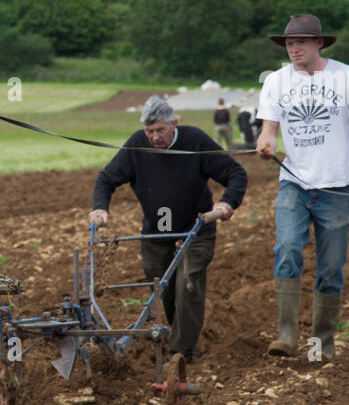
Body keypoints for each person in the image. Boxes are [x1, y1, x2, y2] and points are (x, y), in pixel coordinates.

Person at [255, 14, 349, 361]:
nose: (293, 49)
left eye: (300, 42)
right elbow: (269, 128)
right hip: (293, 183)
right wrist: (266, 143)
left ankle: (321, 344)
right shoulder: (275, 82)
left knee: (330, 268)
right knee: (286, 248)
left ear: (319, 43)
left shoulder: (346, 76)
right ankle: (286, 334)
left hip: (337, 188)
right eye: (288, 43)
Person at [89, 95, 247, 363]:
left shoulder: (194, 141)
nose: (154, 137)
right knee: (163, 288)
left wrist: (227, 203)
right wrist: (100, 208)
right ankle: (182, 335)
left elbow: (235, 173)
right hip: (156, 231)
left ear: (174, 123)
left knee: (188, 283)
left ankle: (181, 354)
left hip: (195, 229)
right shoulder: (137, 145)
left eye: (160, 130)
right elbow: (106, 178)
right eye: (149, 131)